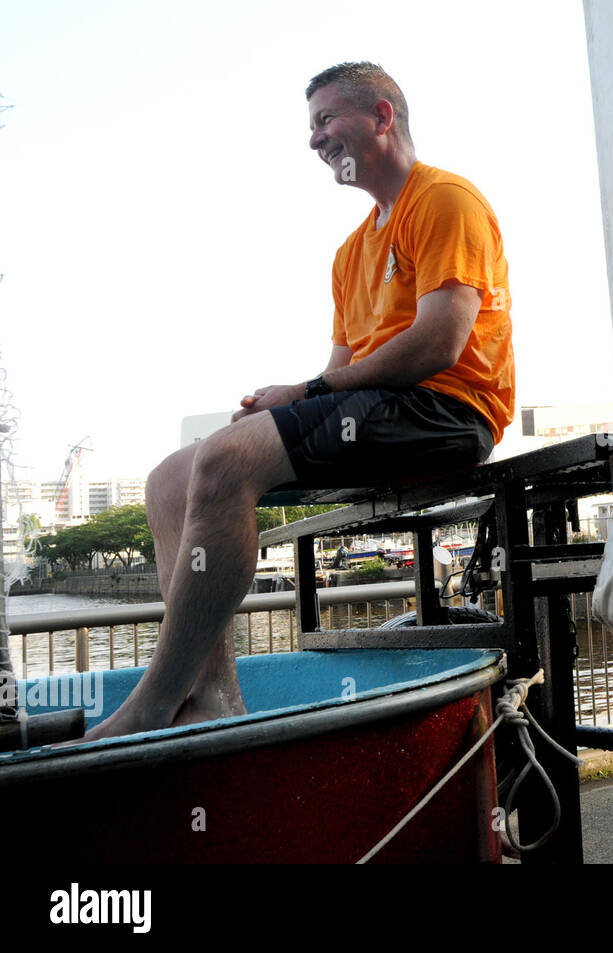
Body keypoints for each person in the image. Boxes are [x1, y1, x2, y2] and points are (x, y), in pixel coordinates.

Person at [83, 62, 514, 741]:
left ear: (381, 116)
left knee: (227, 458)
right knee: (173, 476)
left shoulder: (445, 200)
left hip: (446, 409)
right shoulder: (350, 253)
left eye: (325, 119)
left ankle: (152, 700)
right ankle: (214, 694)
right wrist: (280, 407)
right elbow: (340, 372)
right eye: (310, 126)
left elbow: (440, 341)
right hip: (375, 410)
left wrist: (304, 395)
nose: (316, 139)